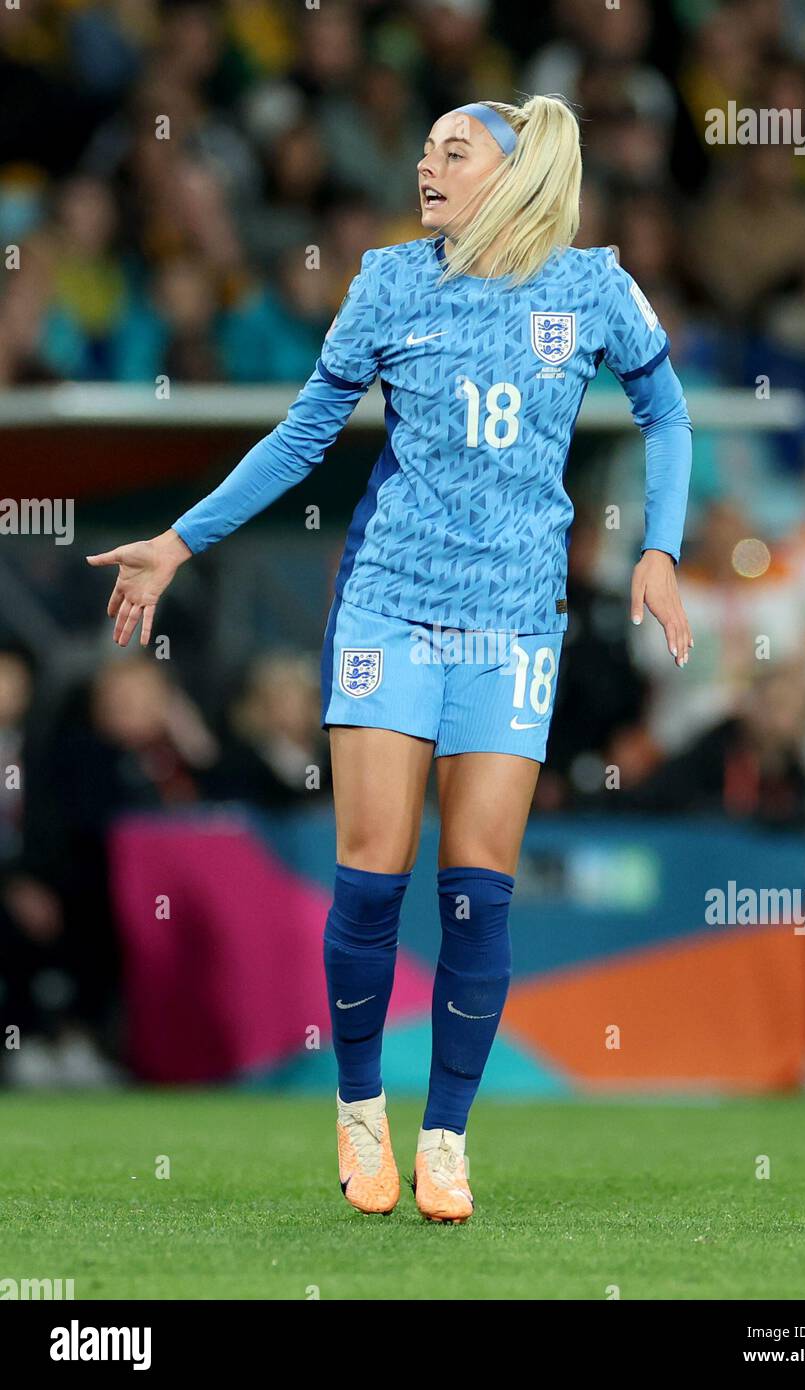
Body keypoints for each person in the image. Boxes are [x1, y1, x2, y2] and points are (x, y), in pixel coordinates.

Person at [86, 95, 693, 1224]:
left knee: (480, 890)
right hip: (391, 610)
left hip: (515, 622)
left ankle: (447, 1138)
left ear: (508, 175)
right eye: (421, 151)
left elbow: (667, 414)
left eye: (450, 152)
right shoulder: (386, 283)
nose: (426, 166)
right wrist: (177, 541)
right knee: (372, 873)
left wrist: (660, 548)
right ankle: (361, 1115)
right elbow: (302, 435)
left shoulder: (591, 284)